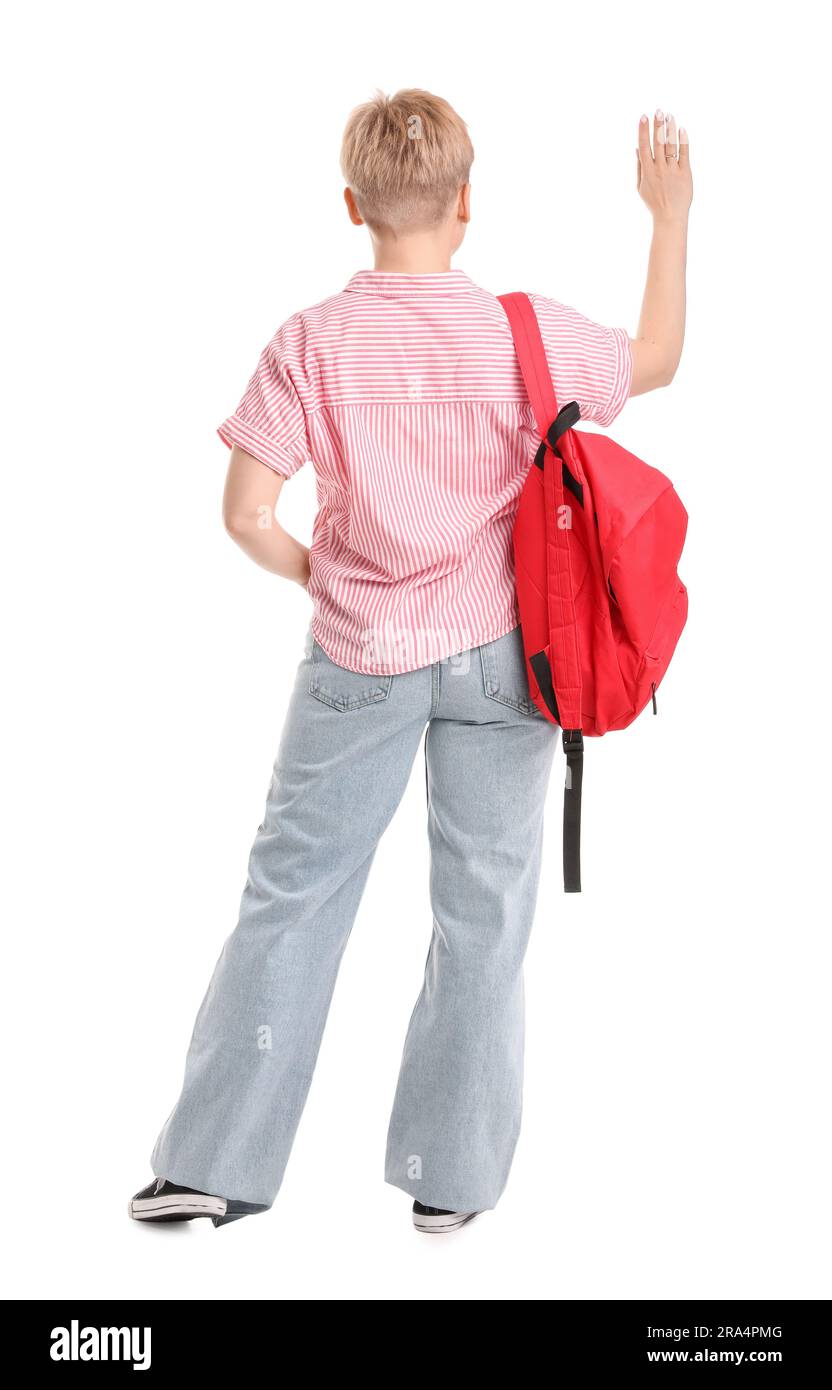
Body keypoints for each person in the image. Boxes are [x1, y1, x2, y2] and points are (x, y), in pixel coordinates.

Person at [130, 91, 692, 1232]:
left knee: (291, 898)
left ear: (352, 206)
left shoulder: (310, 341)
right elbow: (660, 360)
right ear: (466, 203)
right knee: (483, 913)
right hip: (503, 659)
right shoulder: (524, 333)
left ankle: (213, 1169)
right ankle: (451, 1186)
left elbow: (245, 514)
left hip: (358, 656)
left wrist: (317, 572)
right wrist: (667, 216)